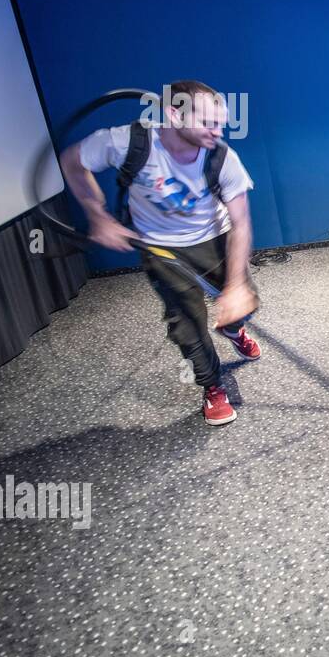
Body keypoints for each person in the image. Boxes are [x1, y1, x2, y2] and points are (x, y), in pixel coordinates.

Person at [60, 80, 259, 425]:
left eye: (221, 122)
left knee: (243, 301)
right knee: (187, 324)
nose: (218, 131)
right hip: (160, 248)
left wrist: (237, 286)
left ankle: (233, 329)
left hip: (215, 238)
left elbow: (241, 223)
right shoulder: (126, 142)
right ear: (173, 114)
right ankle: (212, 386)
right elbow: (72, 161)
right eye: (208, 122)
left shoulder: (224, 158)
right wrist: (98, 215)